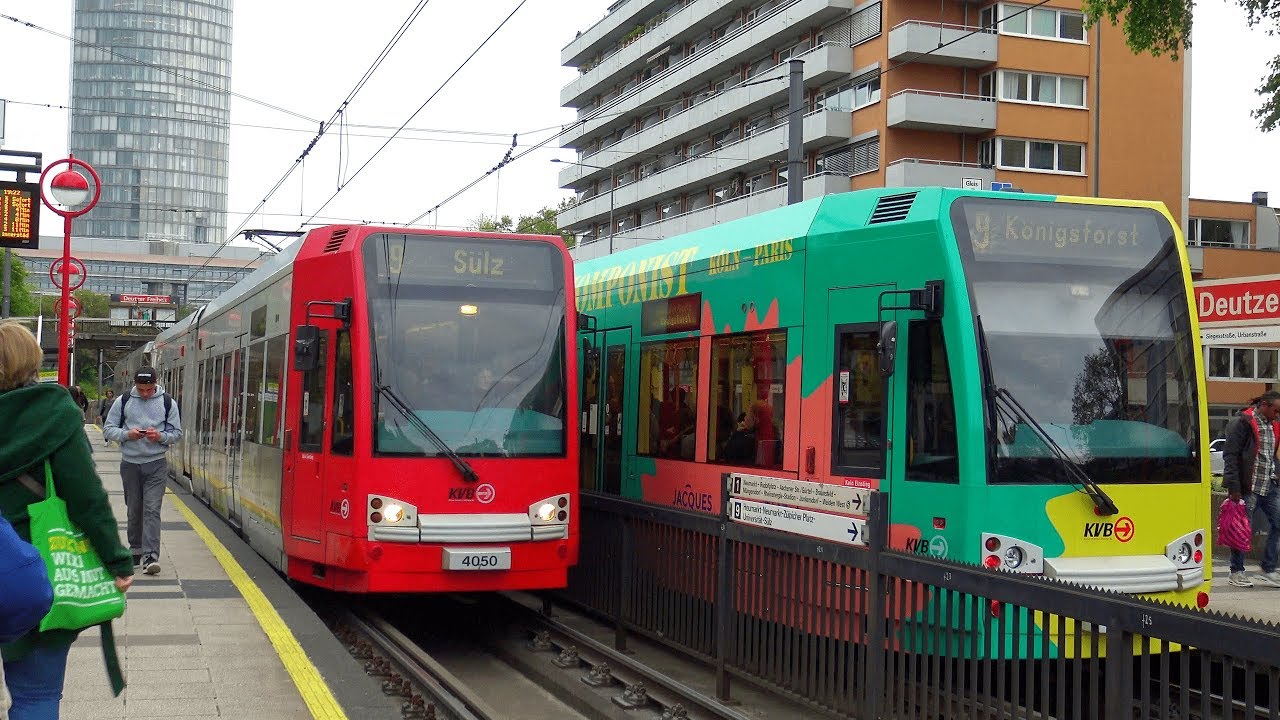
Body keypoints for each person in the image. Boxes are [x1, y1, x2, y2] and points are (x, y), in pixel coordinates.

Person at [0, 321, 133, 719]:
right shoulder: (53, 412)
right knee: (35, 696)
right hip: (32, 575)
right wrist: (117, 560)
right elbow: (85, 496)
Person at [103, 366, 182, 575]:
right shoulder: (124, 400)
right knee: (134, 509)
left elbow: (177, 432)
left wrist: (161, 436)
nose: (145, 394)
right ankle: (135, 550)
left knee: (152, 509)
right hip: (130, 464)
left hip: (156, 463)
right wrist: (128, 434)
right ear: (135, 385)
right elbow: (108, 429)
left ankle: (151, 556)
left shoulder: (168, 402)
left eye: (149, 389)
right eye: (141, 389)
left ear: (155, 384)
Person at [1221, 391, 1280, 588]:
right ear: (1264, 405)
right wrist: (1234, 487)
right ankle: (1236, 571)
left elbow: (1270, 456)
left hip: (1268, 485)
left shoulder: (1274, 426)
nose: (1277, 414)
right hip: (1249, 487)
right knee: (1241, 530)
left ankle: (1268, 569)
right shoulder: (1243, 423)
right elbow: (1230, 455)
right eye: (1276, 410)